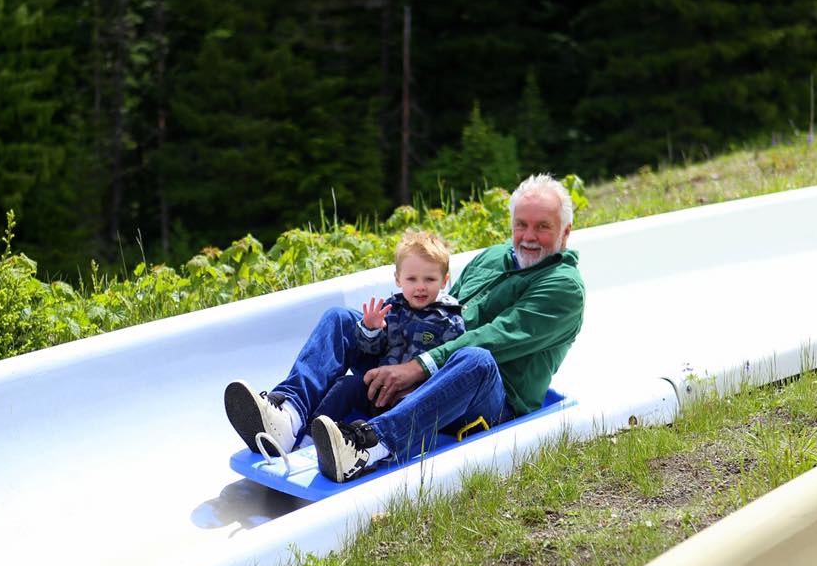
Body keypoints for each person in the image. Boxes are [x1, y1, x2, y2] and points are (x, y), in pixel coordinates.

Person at [224, 173, 585, 484]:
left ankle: (369, 447)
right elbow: (442, 309)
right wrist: (386, 330)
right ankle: (288, 419)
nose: (528, 236)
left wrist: (417, 367)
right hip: (429, 366)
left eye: (543, 226)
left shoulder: (563, 286)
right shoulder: (493, 256)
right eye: (521, 224)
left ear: (565, 232)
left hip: (488, 397)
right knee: (341, 319)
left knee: (476, 358)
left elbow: (493, 338)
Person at [307, 230, 465, 425]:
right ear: (398, 279)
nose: (420, 286)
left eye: (429, 279)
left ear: (444, 281)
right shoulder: (392, 309)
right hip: (378, 389)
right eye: (412, 279)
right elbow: (372, 350)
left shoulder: (449, 319)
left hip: (415, 396)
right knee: (346, 385)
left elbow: (452, 364)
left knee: (407, 405)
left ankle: (376, 439)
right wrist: (372, 329)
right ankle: (311, 437)